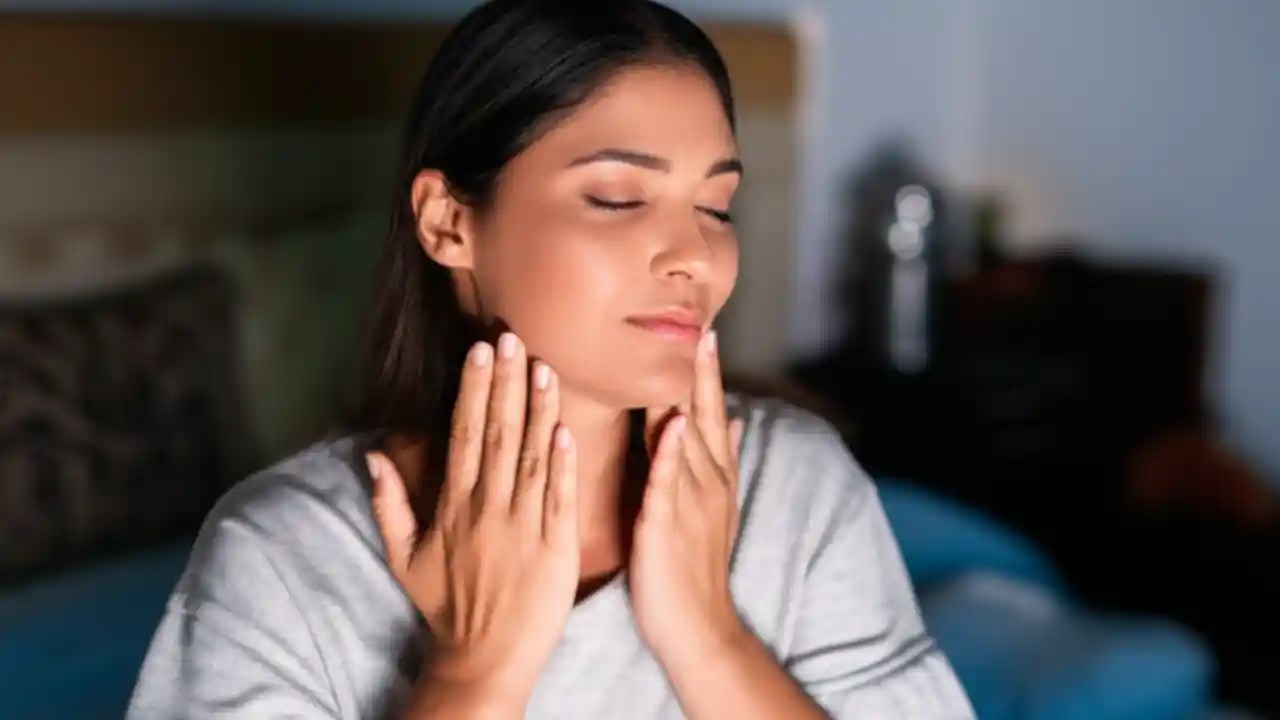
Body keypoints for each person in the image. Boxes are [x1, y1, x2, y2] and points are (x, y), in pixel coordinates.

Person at [127, 1, 974, 717]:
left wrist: (711, 638)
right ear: (448, 223)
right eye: (617, 197)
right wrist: (473, 674)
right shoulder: (281, 555)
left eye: (717, 207)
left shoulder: (797, 486)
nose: (695, 256)